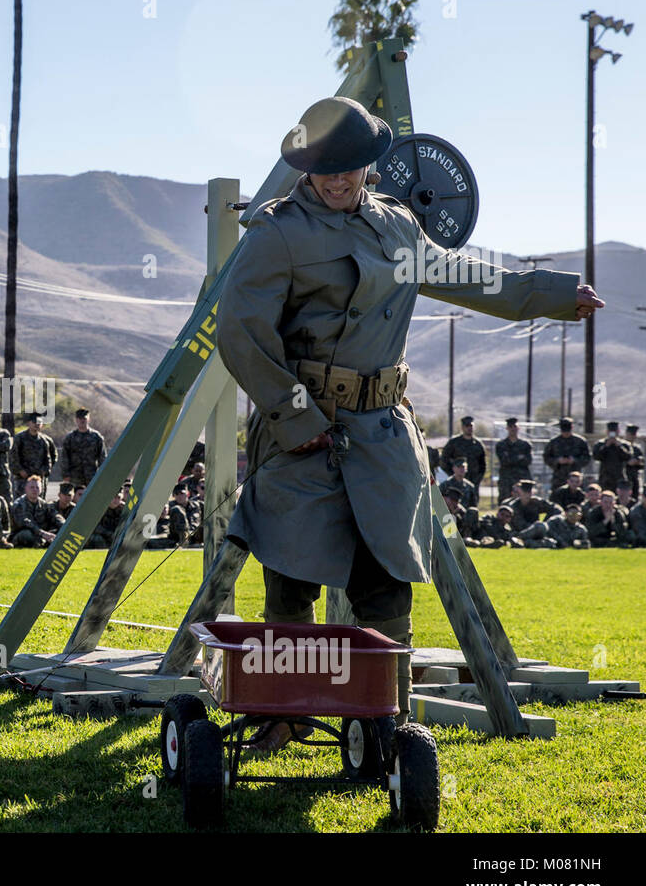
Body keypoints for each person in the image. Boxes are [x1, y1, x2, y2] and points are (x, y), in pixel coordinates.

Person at [213, 96, 601, 748]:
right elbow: (241, 331)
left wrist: (556, 294)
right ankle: (280, 711)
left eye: (350, 169)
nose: (337, 182)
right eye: (323, 171)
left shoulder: (397, 227)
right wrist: (291, 412)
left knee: (388, 579)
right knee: (290, 571)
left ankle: (389, 724)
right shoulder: (278, 234)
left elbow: (470, 278)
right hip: (304, 432)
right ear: (306, 169)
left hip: (382, 436)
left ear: (370, 165)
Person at [10, 475, 64, 548]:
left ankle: (44, 542)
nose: (35, 490)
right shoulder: (19, 504)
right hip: (24, 533)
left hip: (42, 534)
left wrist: (65, 525)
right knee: (26, 534)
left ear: (41, 490)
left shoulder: (43, 504)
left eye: (37, 487)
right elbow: (26, 523)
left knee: (59, 531)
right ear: (26, 489)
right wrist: (43, 533)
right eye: (32, 487)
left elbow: (55, 515)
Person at [441, 416, 485, 503]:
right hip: (456, 483)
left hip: (472, 481)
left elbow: (483, 465)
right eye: (467, 426)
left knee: (472, 507)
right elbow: (443, 460)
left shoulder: (478, 444)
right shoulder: (454, 442)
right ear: (462, 427)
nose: (469, 428)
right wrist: (453, 474)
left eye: (471, 426)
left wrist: (477, 480)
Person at [12, 413, 57, 496]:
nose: (37, 424)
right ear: (29, 423)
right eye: (34, 422)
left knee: (39, 502)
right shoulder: (19, 438)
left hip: (39, 478)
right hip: (23, 478)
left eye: (39, 422)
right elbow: (13, 457)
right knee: (22, 503)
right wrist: (20, 470)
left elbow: (51, 457)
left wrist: (45, 470)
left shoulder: (45, 440)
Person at [62, 407, 107, 488]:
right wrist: (66, 474)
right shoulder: (70, 437)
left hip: (92, 476)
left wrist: (102, 474)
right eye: (79, 418)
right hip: (75, 477)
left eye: (84, 418)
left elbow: (102, 457)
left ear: (88, 420)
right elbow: (65, 457)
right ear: (76, 420)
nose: (82, 421)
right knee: (75, 499)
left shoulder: (96, 437)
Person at [543, 418, 590, 493]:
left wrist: (575, 460)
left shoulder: (580, 441)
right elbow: (546, 458)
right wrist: (557, 461)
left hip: (575, 479)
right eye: (564, 431)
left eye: (567, 430)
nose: (566, 433)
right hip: (558, 478)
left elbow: (587, 458)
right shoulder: (554, 442)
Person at [495, 417, 532, 504]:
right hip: (506, 479)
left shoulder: (525, 445)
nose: (513, 429)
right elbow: (504, 461)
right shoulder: (501, 445)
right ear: (507, 428)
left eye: (514, 426)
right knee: (504, 502)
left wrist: (511, 458)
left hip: (522, 478)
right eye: (510, 427)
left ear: (518, 428)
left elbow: (528, 461)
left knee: (524, 502)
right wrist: (519, 457)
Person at [592, 421, 632, 493]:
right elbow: (596, 456)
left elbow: (628, 457)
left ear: (618, 431)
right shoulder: (600, 444)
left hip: (619, 476)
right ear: (607, 432)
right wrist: (606, 446)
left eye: (615, 431)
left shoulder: (624, 444)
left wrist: (619, 446)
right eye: (611, 431)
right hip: (605, 477)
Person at [86, 484, 128, 549]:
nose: (116, 500)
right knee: (97, 538)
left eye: (118, 498)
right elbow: (94, 527)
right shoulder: (98, 508)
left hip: (116, 536)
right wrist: (110, 534)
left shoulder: (124, 508)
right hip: (103, 535)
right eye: (114, 497)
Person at [623, 424, 643, 499]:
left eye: (634, 435)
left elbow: (642, 463)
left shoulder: (637, 448)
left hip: (634, 476)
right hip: (624, 477)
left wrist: (637, 462)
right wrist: (627, 463)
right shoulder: (621, 446)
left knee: (634, 497)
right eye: (631, 434)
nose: (632, 436)